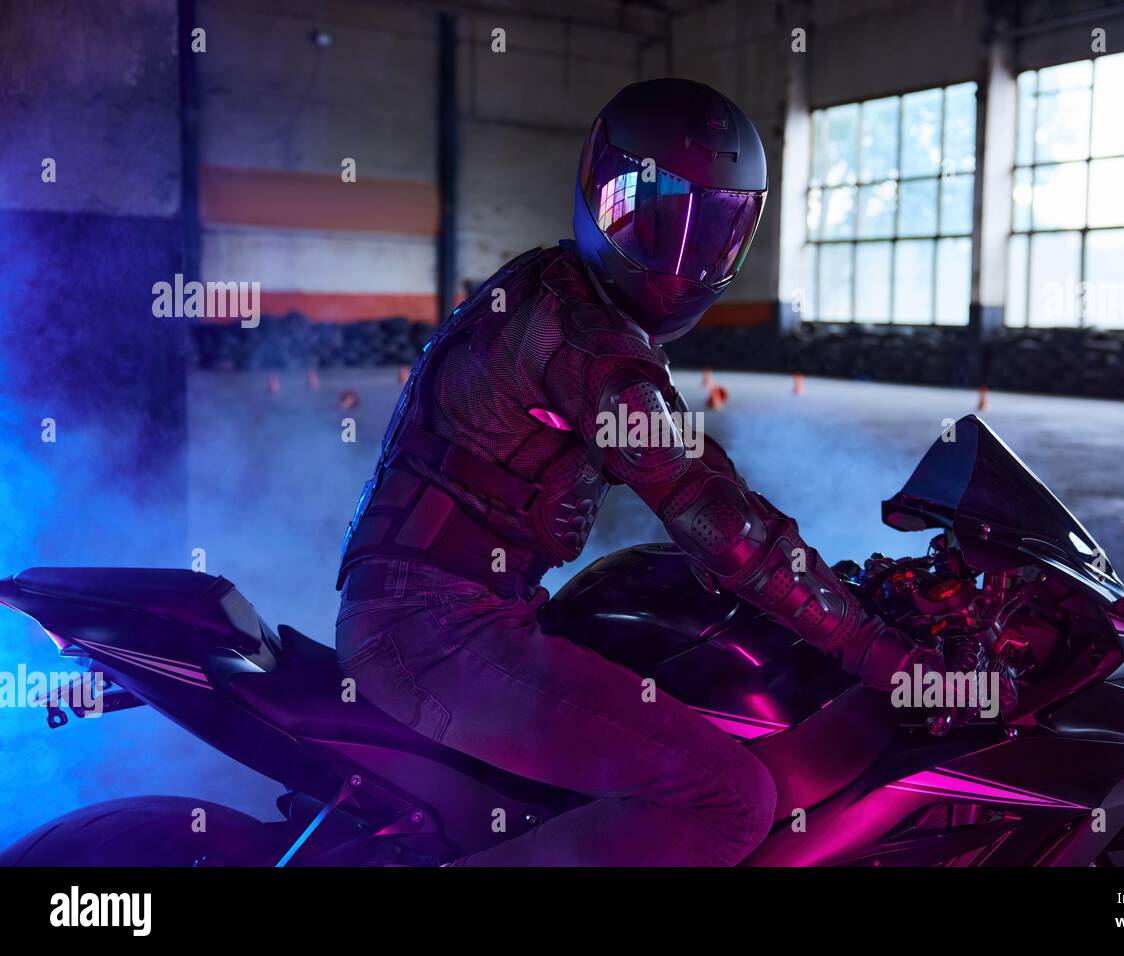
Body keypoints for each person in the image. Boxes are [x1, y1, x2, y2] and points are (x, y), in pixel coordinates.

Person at [334, 78, 940, 866]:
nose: (683, 255)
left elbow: (698, 489)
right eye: (655, 215)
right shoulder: (588, 343)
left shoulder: (555, 284)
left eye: (712, 226)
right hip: (434, 633)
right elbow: (714, 517)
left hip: (442, 612)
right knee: (731, 799)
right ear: (599, 193)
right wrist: (881, 653)